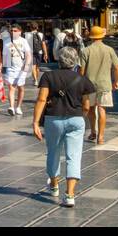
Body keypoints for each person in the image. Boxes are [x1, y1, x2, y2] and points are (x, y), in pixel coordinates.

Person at [32, 45, 96, 207]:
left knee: (53, 152)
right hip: (76, 119)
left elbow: (41, 100)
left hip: (53, 119)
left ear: (59, 60)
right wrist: (80, 117)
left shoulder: (48, 76)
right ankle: (70, 194)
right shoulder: (82, 80)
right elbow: (87, 106)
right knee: (73, 156)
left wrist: (35, 122)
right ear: (75, 62)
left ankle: (54, 186)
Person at [80, 25, 118, 145]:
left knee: (91, 109)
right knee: (102, 109)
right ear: (102, 37)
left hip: (89, 84)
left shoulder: (85, 50)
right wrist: (116, 81)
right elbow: (116, 67)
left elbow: (81, 70)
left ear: (91, 37)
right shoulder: (109, 50)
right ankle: (101, 137)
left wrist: (81, 84)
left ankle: (93, 132)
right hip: (105, 84)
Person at [1, 24, 33, 117]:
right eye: (11, 30)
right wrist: (0, 65)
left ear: (20, 31)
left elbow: (28, 54)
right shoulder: (7, 41)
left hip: (21, 68)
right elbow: (4, 55)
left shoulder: (23, 41)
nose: (13, 32)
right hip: (10, 68)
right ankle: (11, 107)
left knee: (21, 88)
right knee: (11, 87)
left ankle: (18, 106)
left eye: (15, 31)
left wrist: (26, 65)